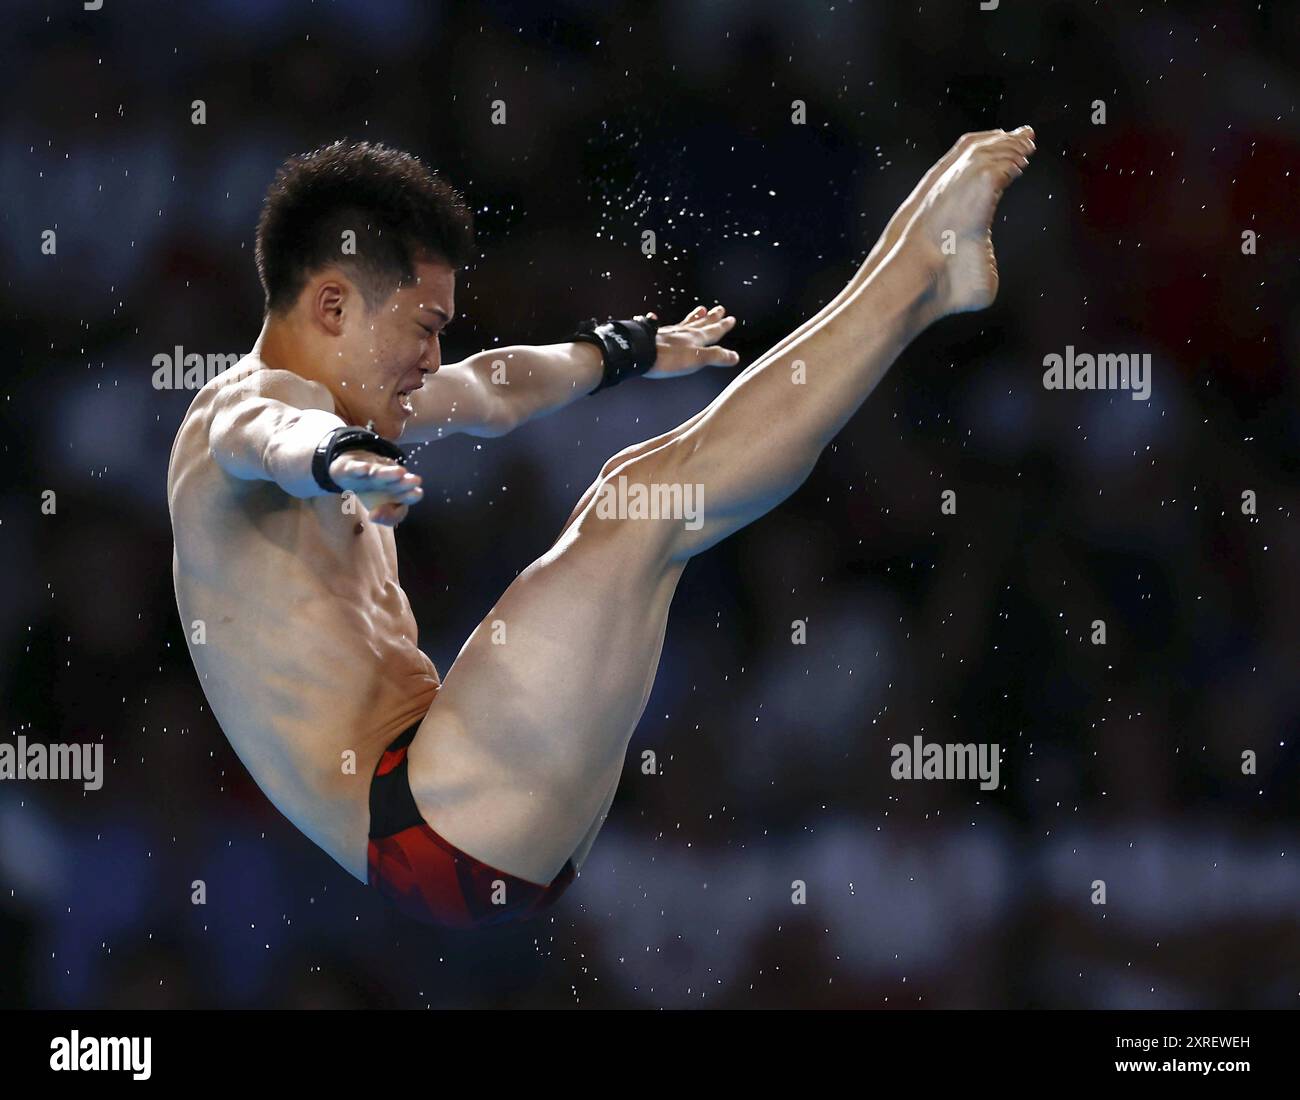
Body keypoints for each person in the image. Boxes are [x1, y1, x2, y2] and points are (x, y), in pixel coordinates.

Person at [168, 128, 1034, 928]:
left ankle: (923, 285)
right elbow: (274, 440)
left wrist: (626, 351)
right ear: (331, 308)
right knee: (641, 504)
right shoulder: (242, 411)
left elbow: (493, 388)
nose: (433, 358)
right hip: (430, 813)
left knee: (639, 503)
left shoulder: (358, 386)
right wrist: (340, 456)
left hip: (458, 813)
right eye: (424, 329)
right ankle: (918, 270)